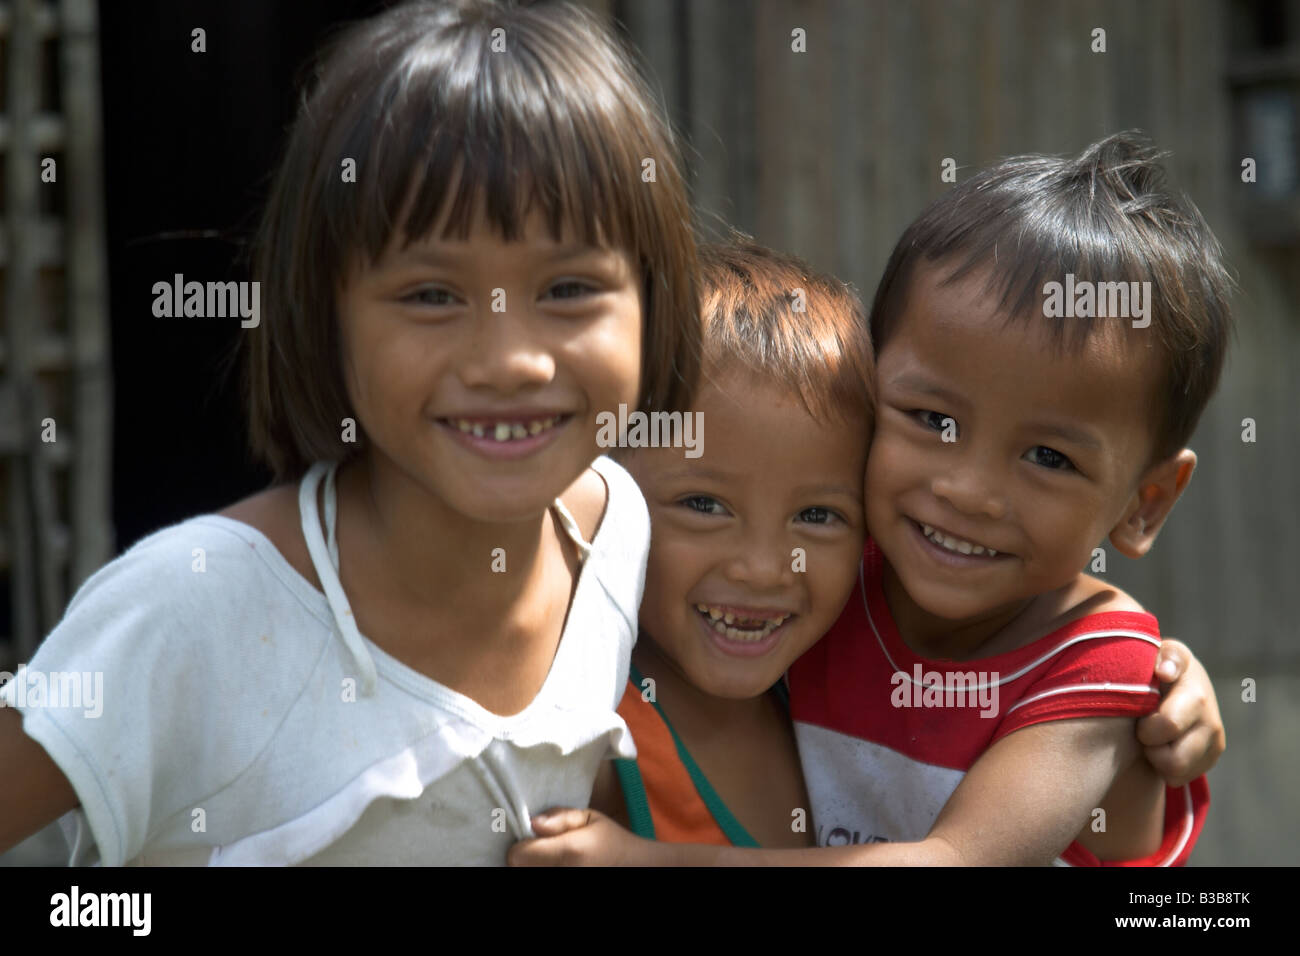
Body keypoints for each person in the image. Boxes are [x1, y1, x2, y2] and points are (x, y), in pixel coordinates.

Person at [0, 0, 701, 865]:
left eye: (568, 291)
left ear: (655, 300)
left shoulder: (612, 538)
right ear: (323, 319)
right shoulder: (192, 608)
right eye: (431, 296)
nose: (509, 361)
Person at [511, 220, 1226, 865]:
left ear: (1144, 503)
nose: (968, 491)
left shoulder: (1109, 677)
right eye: (933, 420)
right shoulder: (836, 593)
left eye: (1048, 457)